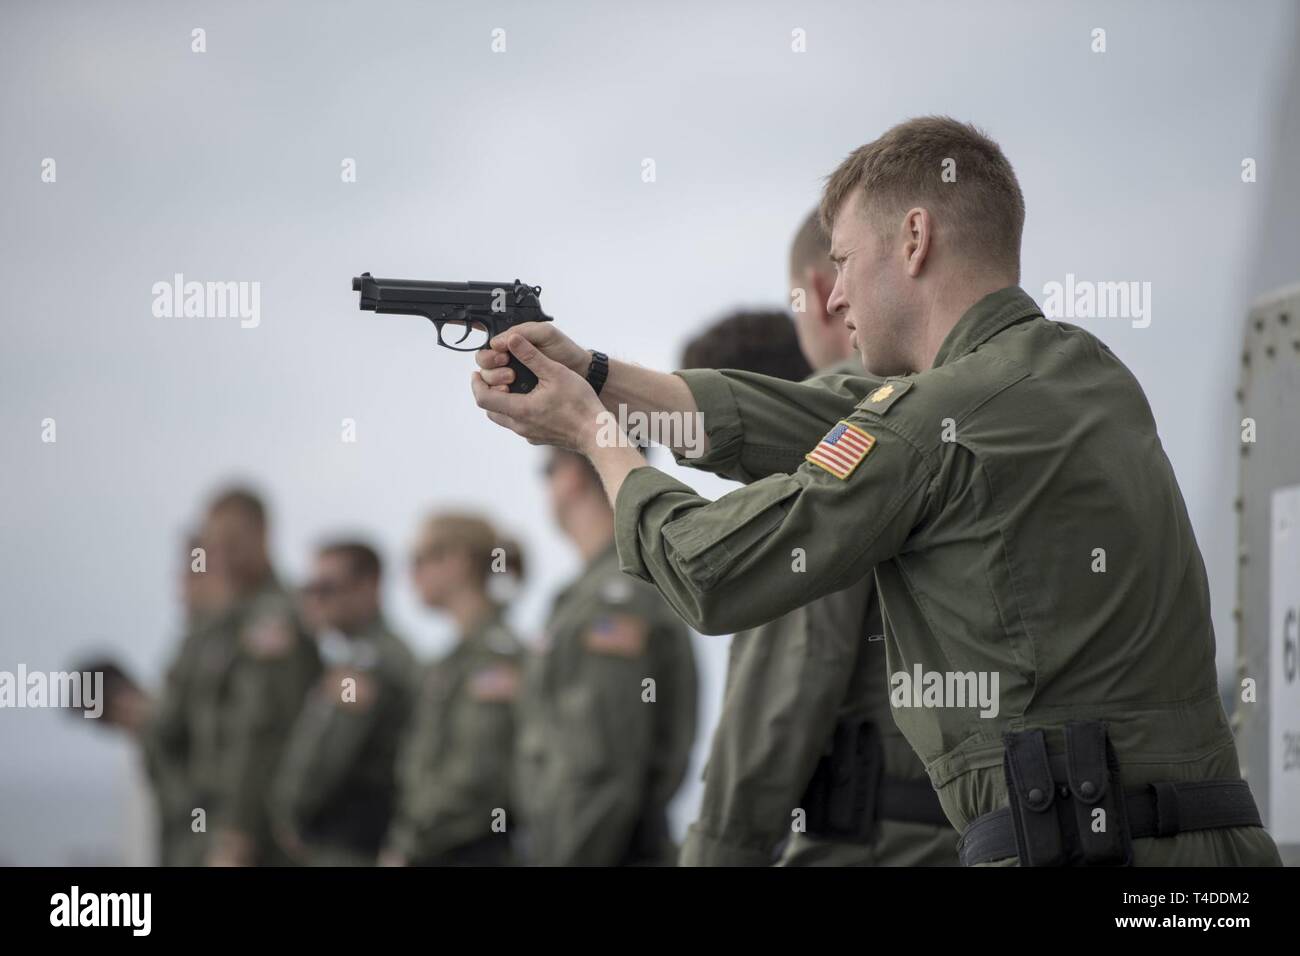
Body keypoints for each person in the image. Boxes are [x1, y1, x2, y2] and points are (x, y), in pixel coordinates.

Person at [469, 116, 1282, 866]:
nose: (835, 297)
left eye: (847, 261)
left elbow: (710, 572)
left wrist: (597, 440)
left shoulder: (930, 423)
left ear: (915, 239)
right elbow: (811, 415)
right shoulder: (1086, 373)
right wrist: (597, 375)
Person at [678, 280, 956, 867]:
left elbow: (785, 688)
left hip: (872, 843)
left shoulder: (836, 468)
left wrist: (717, 851)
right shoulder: (951, 421)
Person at [514, 448, 698, 866]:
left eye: (547, 469)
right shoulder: (588, 593)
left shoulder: (615, 597)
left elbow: (600, 764)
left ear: (574, 477)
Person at [381, 514, 524, 866]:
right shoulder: (450, 661)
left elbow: (478, 777)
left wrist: (407, 844)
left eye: (420, 558)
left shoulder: (493, 657)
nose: (411, 574)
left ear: (458, 561)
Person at [189, 487, 322, 866]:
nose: (223, 556)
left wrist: (238, 829)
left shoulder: (275, 618)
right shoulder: (228, 620)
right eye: (214, 544)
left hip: (263, 829)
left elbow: (261, 729)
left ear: (262, 534)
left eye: (233, 542)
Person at [270, 541, 417, 865]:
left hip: (352, 845)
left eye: (327, 588)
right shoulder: (357, 659)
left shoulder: (371, 663)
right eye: (308, 590)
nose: (314, 601)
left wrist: (292, 814)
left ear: (368, 587)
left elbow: (331, 757)